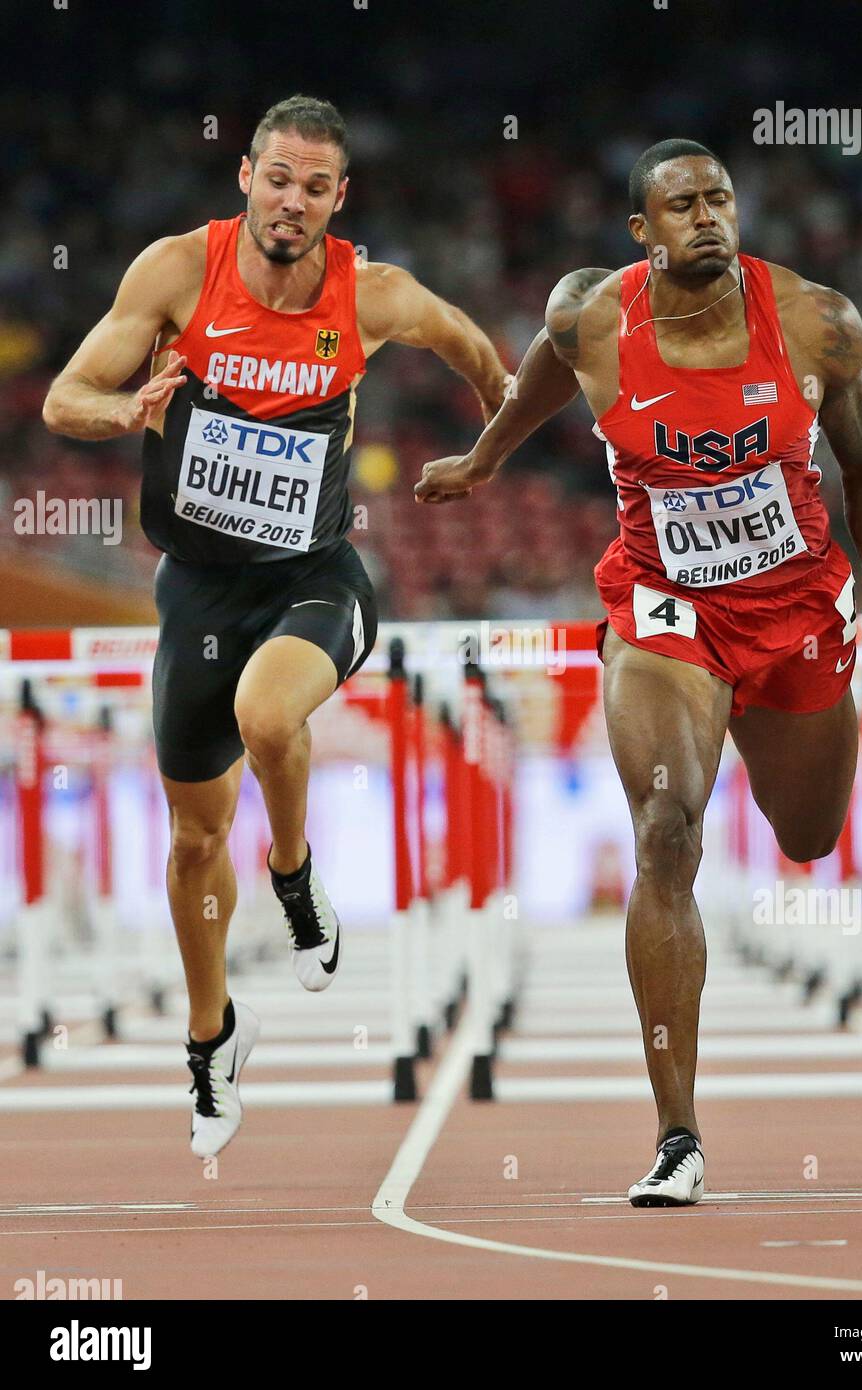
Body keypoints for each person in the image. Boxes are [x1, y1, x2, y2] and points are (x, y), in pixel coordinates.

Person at [415, 138, 862, 1207]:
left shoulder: (817, 323)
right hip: (663, 610)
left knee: (808, 837)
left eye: (719, 199)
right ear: (640, 233)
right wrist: (483, 458)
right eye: (681, 205)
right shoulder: (590, 317)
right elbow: (542, 377)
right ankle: (676, 1133)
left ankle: (792, 717)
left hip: (793, 609)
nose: (706, 217)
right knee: (665, 827)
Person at [43, 95, 509, 1159]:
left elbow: (476, 347)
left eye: (315, 186)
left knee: (266, 711)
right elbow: (63, 396)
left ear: (337, 198)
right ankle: (212, 1039)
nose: (292, 200)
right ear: (245, 177)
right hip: (196, 590)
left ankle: (295, 877)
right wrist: (121, 411)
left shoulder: (371, 292)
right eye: (277, 178)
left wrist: (488, 452)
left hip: (316, 578)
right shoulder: (176, 272)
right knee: (195, 837)